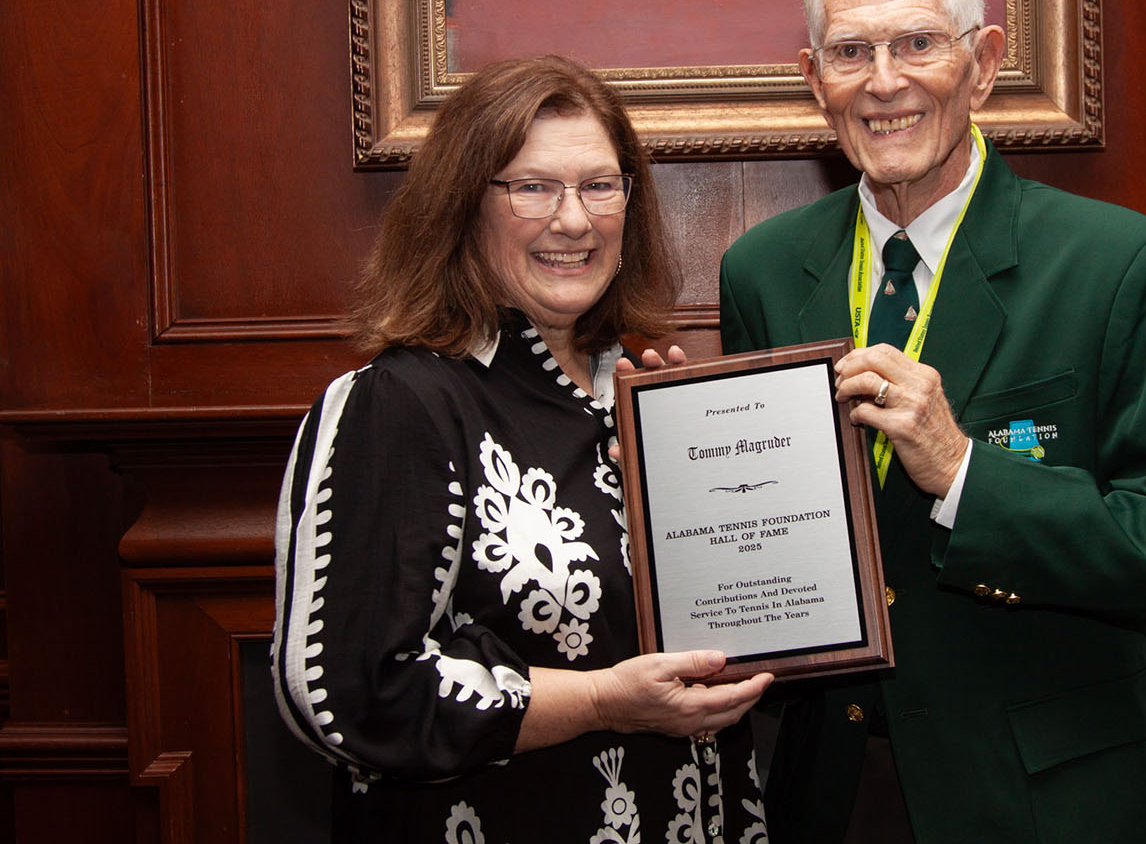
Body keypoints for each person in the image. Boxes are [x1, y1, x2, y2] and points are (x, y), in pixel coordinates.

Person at [718, 0, 1146, 844]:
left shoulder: (1116, 263)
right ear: (814, 80)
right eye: (850, 52)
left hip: (1041, 804)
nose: (884, 82)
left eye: (918, 42)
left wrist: (966, 474)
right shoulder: (761, 271)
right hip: (833, 797)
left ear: (983, 63)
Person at [273, 55, 772, 842]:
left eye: (599, 186)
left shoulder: (640, 394)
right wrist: (602, 702)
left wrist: (710, 490)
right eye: (533, 187)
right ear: (463, 207)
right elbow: (353, 696)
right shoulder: (400, 405)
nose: (573, 220)